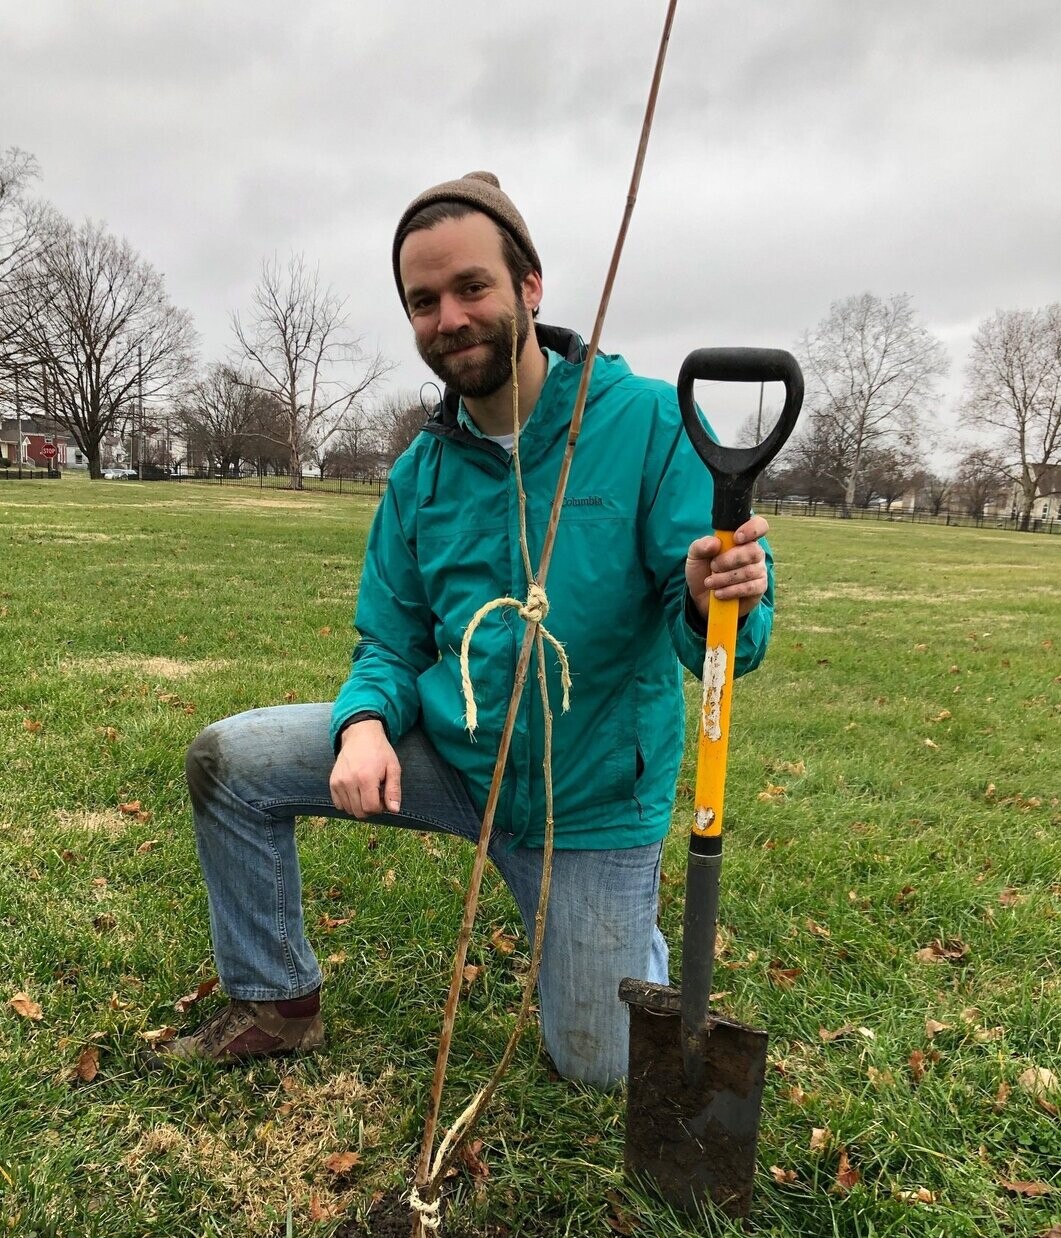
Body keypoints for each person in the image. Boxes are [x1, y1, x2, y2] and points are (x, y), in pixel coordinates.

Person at [161, 171, 773, 1087]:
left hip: (590, 799)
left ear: (529, 286)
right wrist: (366, 723)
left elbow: (731, 650)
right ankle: (276, 1002)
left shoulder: (648, 423)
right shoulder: (421, 473)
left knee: (602, 1067)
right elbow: (390, 638)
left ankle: (623, 938)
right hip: (456, 760)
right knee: (230, 761)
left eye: (471, 287)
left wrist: (708, 597)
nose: (448, 318)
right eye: (423, 301)